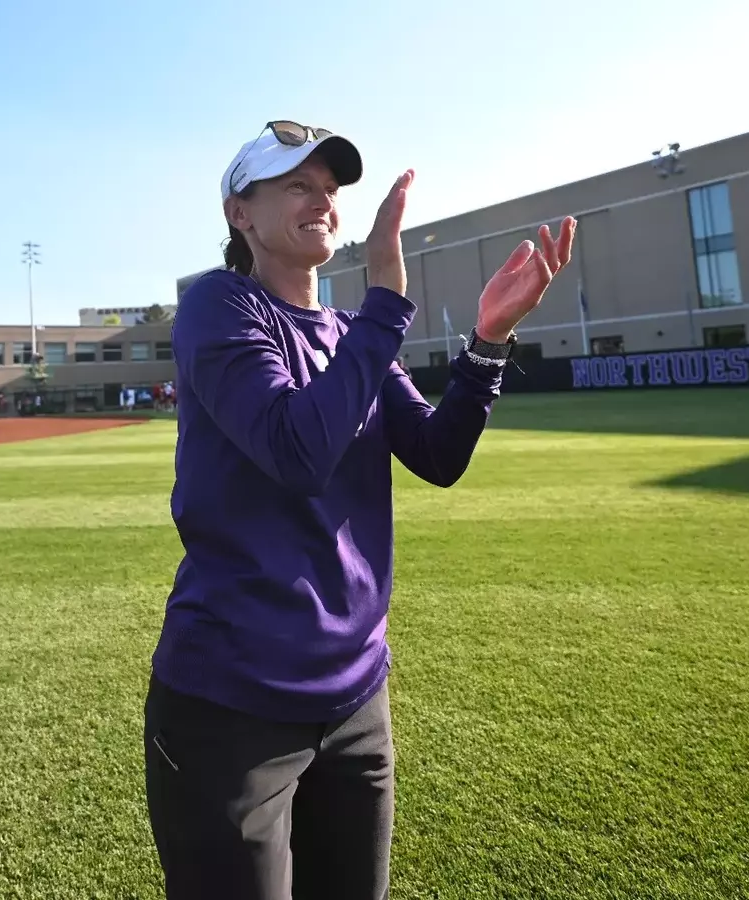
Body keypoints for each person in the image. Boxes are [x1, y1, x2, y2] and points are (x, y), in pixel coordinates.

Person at [144, 119, 574, 900]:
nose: (323, 201)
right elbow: (296, 451)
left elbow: (437, 456)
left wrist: (488, 338)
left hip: (355, 703)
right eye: (296, 185)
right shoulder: (220, 307)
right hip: (229, 709)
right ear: (240, 214)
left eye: (330, 189)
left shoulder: (351, 335)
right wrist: (384, 302)